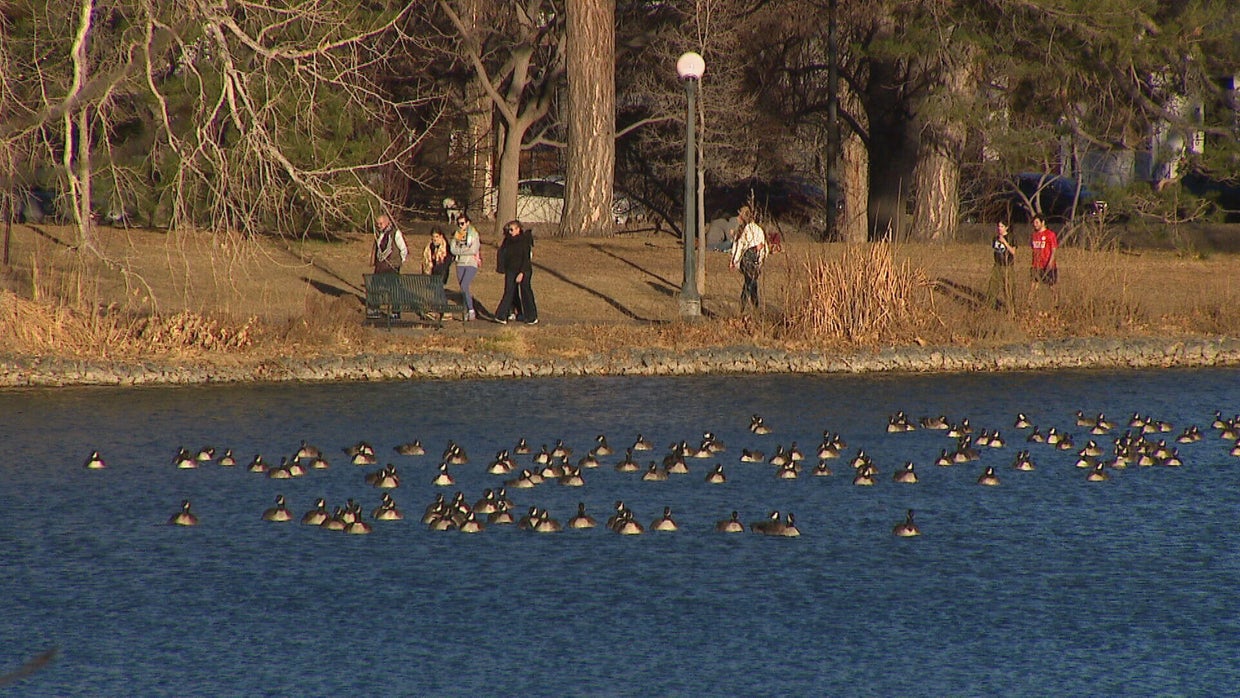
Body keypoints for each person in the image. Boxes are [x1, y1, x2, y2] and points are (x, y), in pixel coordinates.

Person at [493, 219, 538, 325]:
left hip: (524, 270)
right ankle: (501, 315)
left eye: (512, 229)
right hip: (511, 270)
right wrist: (502, 267)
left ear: (518, 229)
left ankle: (531, 316)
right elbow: (503, 254)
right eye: (509, 230)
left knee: (525, 292)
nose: (510, 232)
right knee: (509, 292)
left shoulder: (524, 241)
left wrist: (521, 273)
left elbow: (526, 259)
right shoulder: (507, 241)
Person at [730, 205, 767, 309]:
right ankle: (753, 306)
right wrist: (761, 261)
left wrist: (734, 260)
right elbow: (764, 248)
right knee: (751, 281)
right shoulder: (758, 229)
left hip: (747, 258)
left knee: (750, 282)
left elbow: (738, 246)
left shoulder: (745, 230)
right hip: (754, 258)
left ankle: (745, 305)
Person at [449, 214, 481, 321]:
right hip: (460, 263)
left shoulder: (474, 234)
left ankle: (471, 310)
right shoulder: (457, 235)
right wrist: (463, 250)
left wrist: (462, 250)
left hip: (471, 263)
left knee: (464, 284)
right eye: (458, 223)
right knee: (463, 289)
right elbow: (453, 249)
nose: (460, 225)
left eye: (462, 223)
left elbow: (474, 250)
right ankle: (466, 310)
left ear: (467, 223)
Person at [985, 221, 1016, 310]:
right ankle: (989, 306)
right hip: (997, 265)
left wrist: (1005, 242)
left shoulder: (1011, 238)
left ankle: (1011, 308)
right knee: (993, 286)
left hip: (1007, 266)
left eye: (1002, 226)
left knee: (1008, 287)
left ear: (1006, 227)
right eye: (998, 226)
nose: (999, 228)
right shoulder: (995, 238)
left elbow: (1013, 252)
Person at [1029, 214, 1059, 298]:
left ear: (1043, 222)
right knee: (1033, 286)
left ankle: (1056, 303)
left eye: (1037, 222)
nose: (1035, 224)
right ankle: (1029, 304)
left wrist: (1050, 262)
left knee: (1051, 286)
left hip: (1048, 265)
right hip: (1036, 265)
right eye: (1034, 222)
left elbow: (1054, 250)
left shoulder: (1050, 234)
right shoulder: (1034, 235)